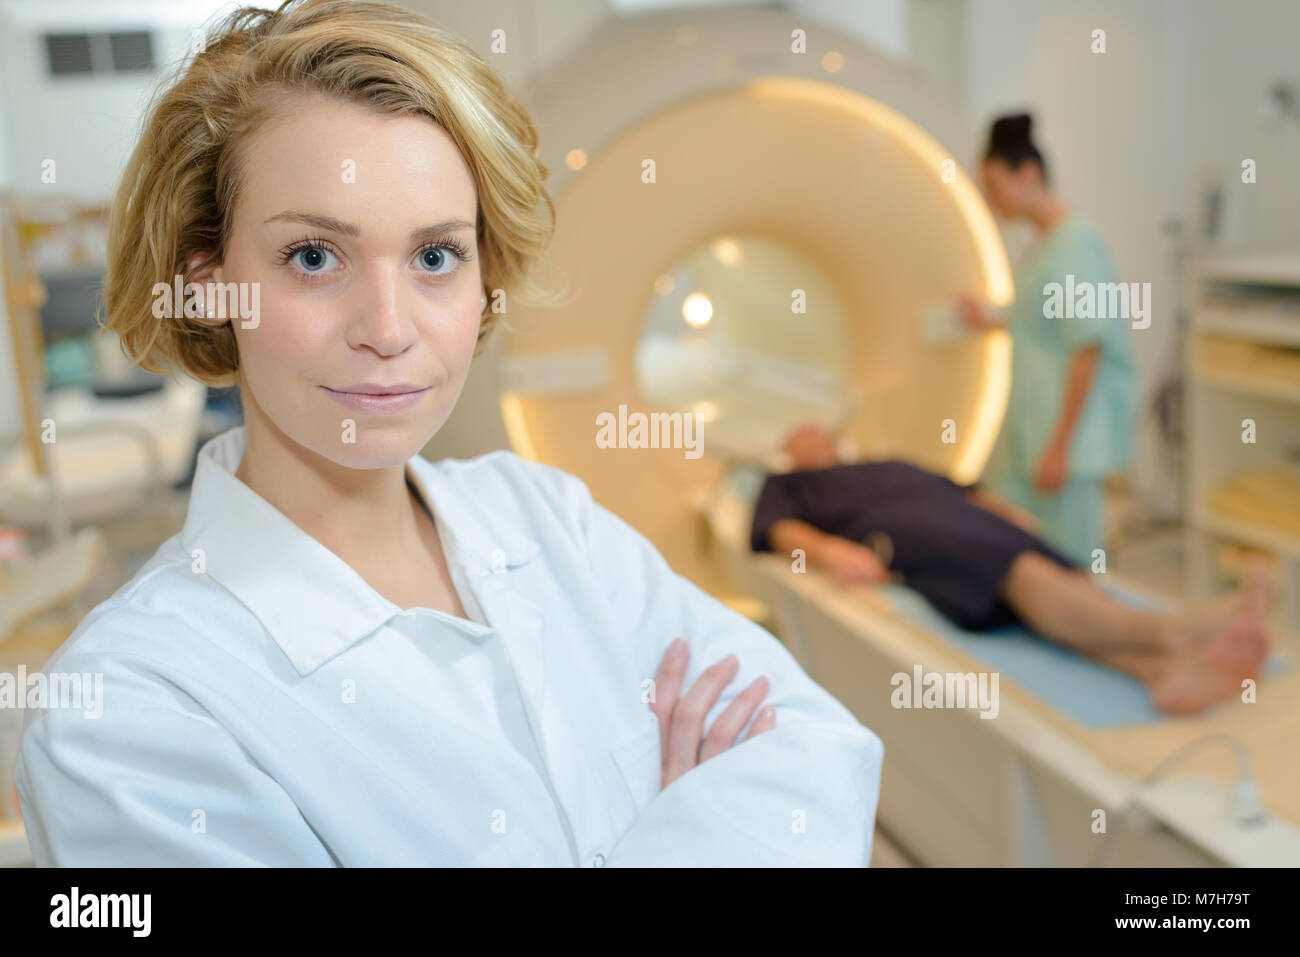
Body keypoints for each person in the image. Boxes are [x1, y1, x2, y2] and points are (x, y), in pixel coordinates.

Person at [15, 0, 883, 867]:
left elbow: (816, 751)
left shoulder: (549, 518)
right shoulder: (130, 710)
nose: (389, 328)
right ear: (207, 284)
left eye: (435, 256)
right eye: (315, 256)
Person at [751, 425, 1270, 716]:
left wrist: (1008, 513)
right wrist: (831, 553)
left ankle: (1162, 672)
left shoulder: (891, 460)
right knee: (1020, 573)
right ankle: (1170, 631)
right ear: (786, 449)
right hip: (904, 532)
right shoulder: (785, 484)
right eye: (799, 433)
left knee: (1053, 575)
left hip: (964, 518)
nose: (812, 435)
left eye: (819, 429)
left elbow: (966, 492)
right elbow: (779, 531)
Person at [959, 113, 1137, 566]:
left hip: (1065, 442)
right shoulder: (1044, 245)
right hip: (1031, 433)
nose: (991, 198)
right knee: (1017, 550)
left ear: (1030, 174)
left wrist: (1060, 447)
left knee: (1070, 566)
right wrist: (991, 318)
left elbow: (1087, 347)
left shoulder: (1076, 245)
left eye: (995, 184)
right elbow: (1043, 323)